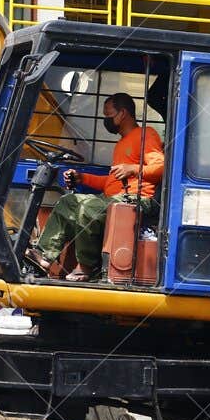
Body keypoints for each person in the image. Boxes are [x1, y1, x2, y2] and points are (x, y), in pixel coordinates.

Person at [30, 93, 165, 281]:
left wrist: (132, 169)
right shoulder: (121, 144)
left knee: (88, 208)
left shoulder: (146, 134)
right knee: (68, 201)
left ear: (122, 113)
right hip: (114, 197)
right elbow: (110, 183)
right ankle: (44, 256)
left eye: (108, 115)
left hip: (139, 199)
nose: (105, 120)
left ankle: (87, 267)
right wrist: (82, 178)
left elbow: (161, 167)